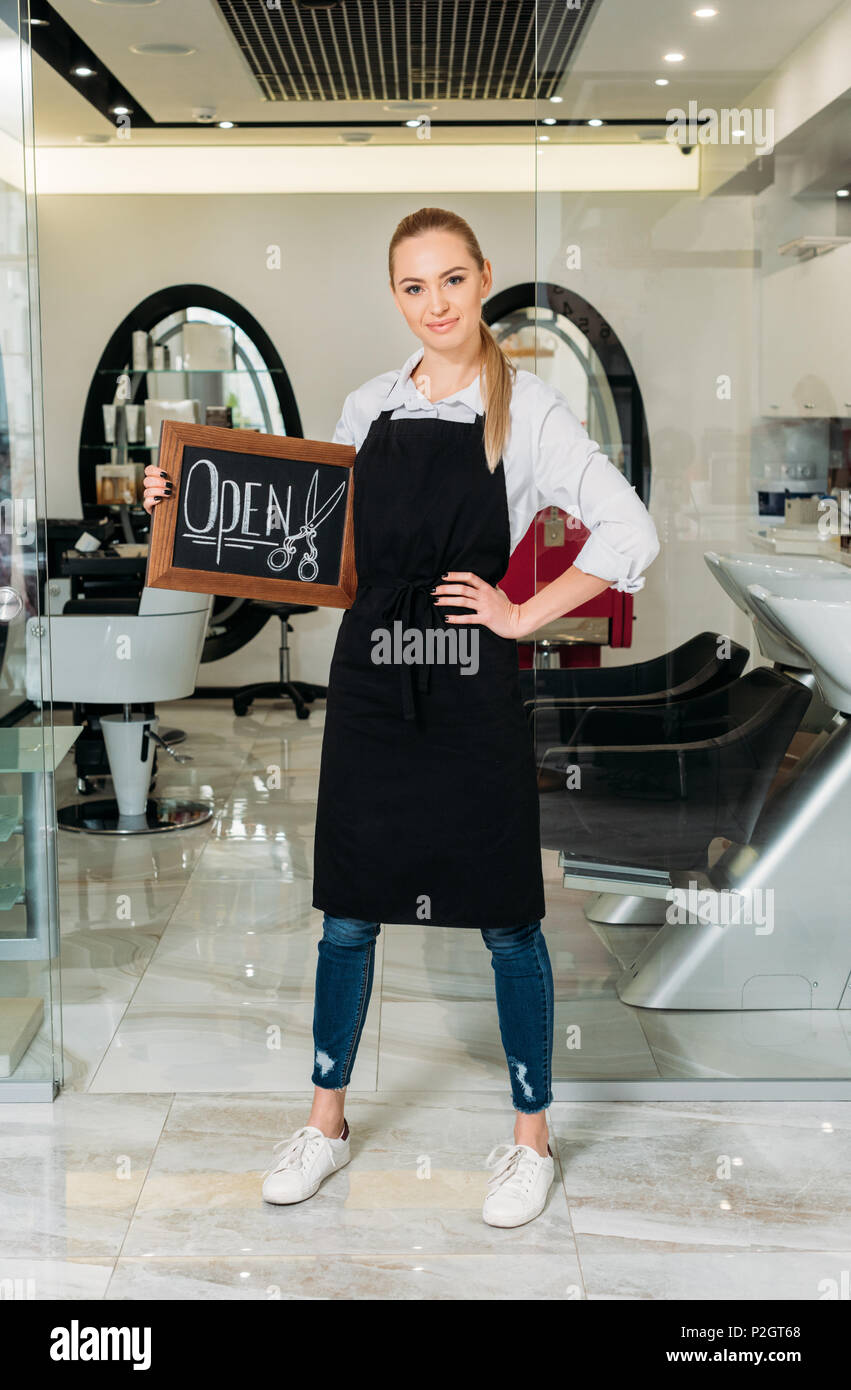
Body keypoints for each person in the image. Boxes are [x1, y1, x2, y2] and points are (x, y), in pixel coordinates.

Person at [143, 207, 659, 1228]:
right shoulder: (366, 404)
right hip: (374, 679)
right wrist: (180, 500)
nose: (436, 304)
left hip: (471, 681)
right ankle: (325, 1124)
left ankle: (529, 1140)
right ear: (397, 297)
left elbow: (628, 532)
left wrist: (518, 609)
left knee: (508, 915)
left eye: (452, 281)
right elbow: (303, 544)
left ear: (482, 280)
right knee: (349, 907)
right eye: (415, 287)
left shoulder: (531, 409)